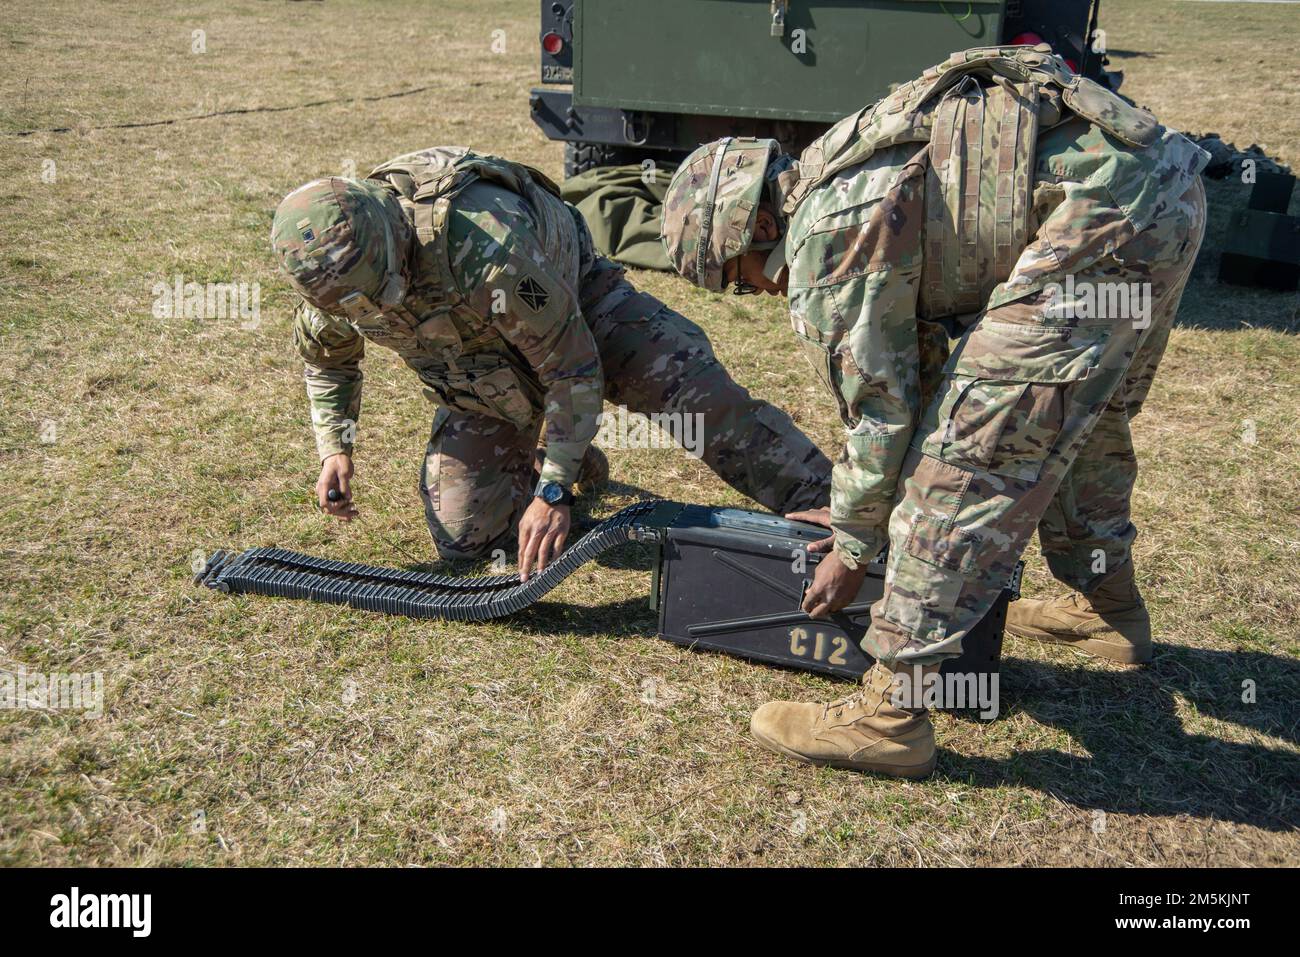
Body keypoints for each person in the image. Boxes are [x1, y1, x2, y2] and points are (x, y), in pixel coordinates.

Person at [660, 45, 1208, 778]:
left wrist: (855, 544)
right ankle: (1108, 611)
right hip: (1160, 191)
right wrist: (864, 509)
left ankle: (892, 711)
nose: (752, 292)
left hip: (1099, 220)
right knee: (1074, 421)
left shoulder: (824, 240)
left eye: (735, 277)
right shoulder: (840, 172)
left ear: (756, 225)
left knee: (973, 453)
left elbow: (884, 415)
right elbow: (912, 374)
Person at [270, 147, 830, 580]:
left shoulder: (483, 244)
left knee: (695, 399)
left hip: (577, 309)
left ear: (394, 242)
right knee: (469, 541)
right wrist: (335, 450)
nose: (374, 310)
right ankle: (562, 458)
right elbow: (329, 360)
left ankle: (834, 508)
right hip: (485, 372)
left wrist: (555, 494)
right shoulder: (338, 282)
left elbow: (572, 366)